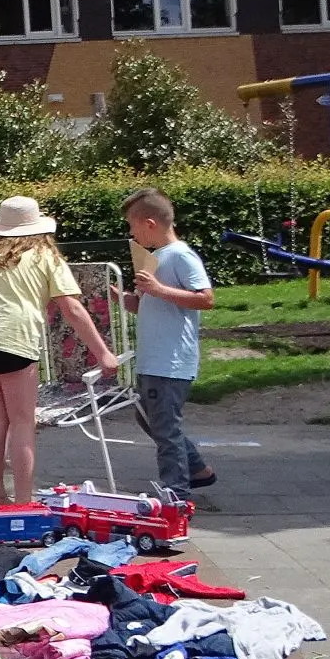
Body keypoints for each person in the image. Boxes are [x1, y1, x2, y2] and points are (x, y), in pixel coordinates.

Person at [0, 196, 120, 506]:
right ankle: (24, 502)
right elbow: (71, 308)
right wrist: (103, 352)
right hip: (13, 336)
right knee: (22, 421)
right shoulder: (45, 255)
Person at [120, 188, 218, 499]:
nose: (131, 233)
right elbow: (160, 305)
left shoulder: (180, 255)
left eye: (132, 226)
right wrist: (131, 301)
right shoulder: (157, 258)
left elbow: (205, 299)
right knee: (149, 417)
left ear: (149, 223)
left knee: (164, 426)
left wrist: (158, 289)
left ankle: (175, 491)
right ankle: (197, 470)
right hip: (155, 358)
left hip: (170, 360)